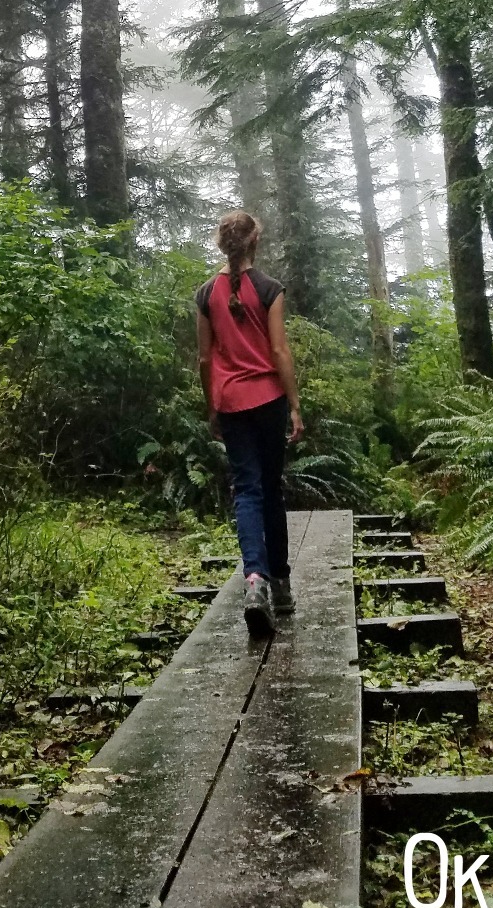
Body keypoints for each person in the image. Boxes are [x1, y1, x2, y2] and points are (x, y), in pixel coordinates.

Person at [195, 211, 304, 637]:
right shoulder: (269, 289)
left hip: (231, 403)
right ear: (255, 242)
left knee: (247, 489)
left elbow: (204, 358)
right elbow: (279, 351)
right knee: (271, 489)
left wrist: (213, 407)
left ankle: (254, 579)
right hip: (269, 400)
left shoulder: (206, 293)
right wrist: (294, 405)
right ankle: (281, 586)